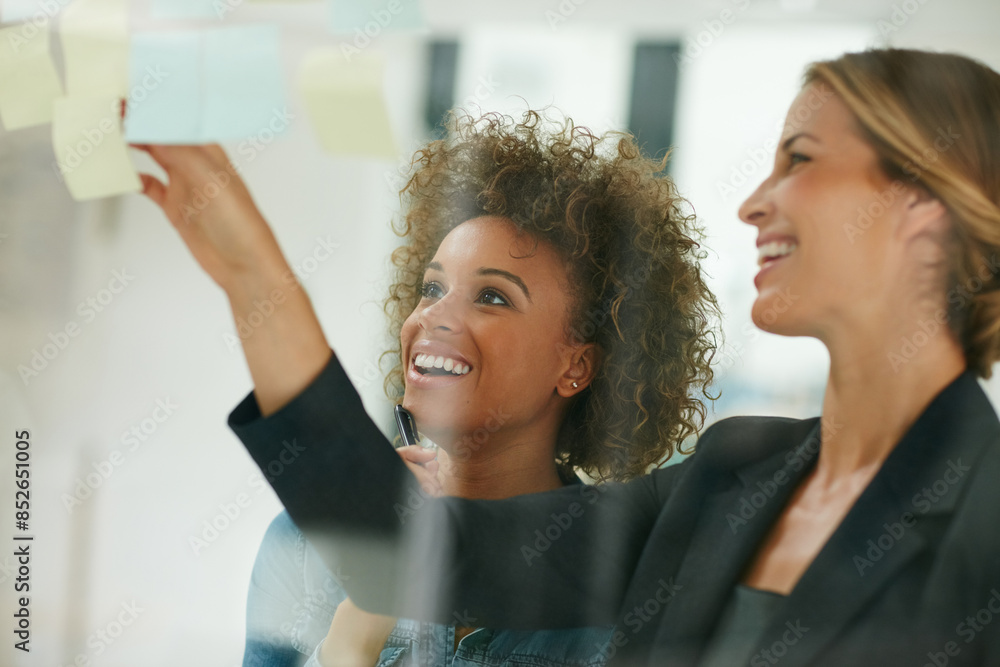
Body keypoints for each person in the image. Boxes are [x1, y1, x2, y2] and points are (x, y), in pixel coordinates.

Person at [143, 48, 1000, 665]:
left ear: (918, 201)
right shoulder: (735, 470)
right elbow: (412, 556)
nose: (753, 202)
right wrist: (257, 280)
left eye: (801, 160)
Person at [136, 111, 718, 666]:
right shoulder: (304, 549)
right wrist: (351, 643)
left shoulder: (622, 586)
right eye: (432, 287)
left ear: (578, 366)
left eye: (493, 296)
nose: (433, 318)